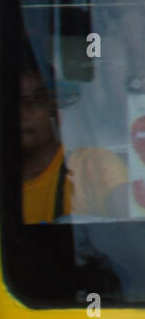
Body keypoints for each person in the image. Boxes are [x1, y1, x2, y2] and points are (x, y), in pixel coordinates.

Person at [20, 68, 129, 223]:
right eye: (11, 103)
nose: (22, 113)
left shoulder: (92, 166)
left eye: (34, 102)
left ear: (57, 115)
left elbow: (130, 219)